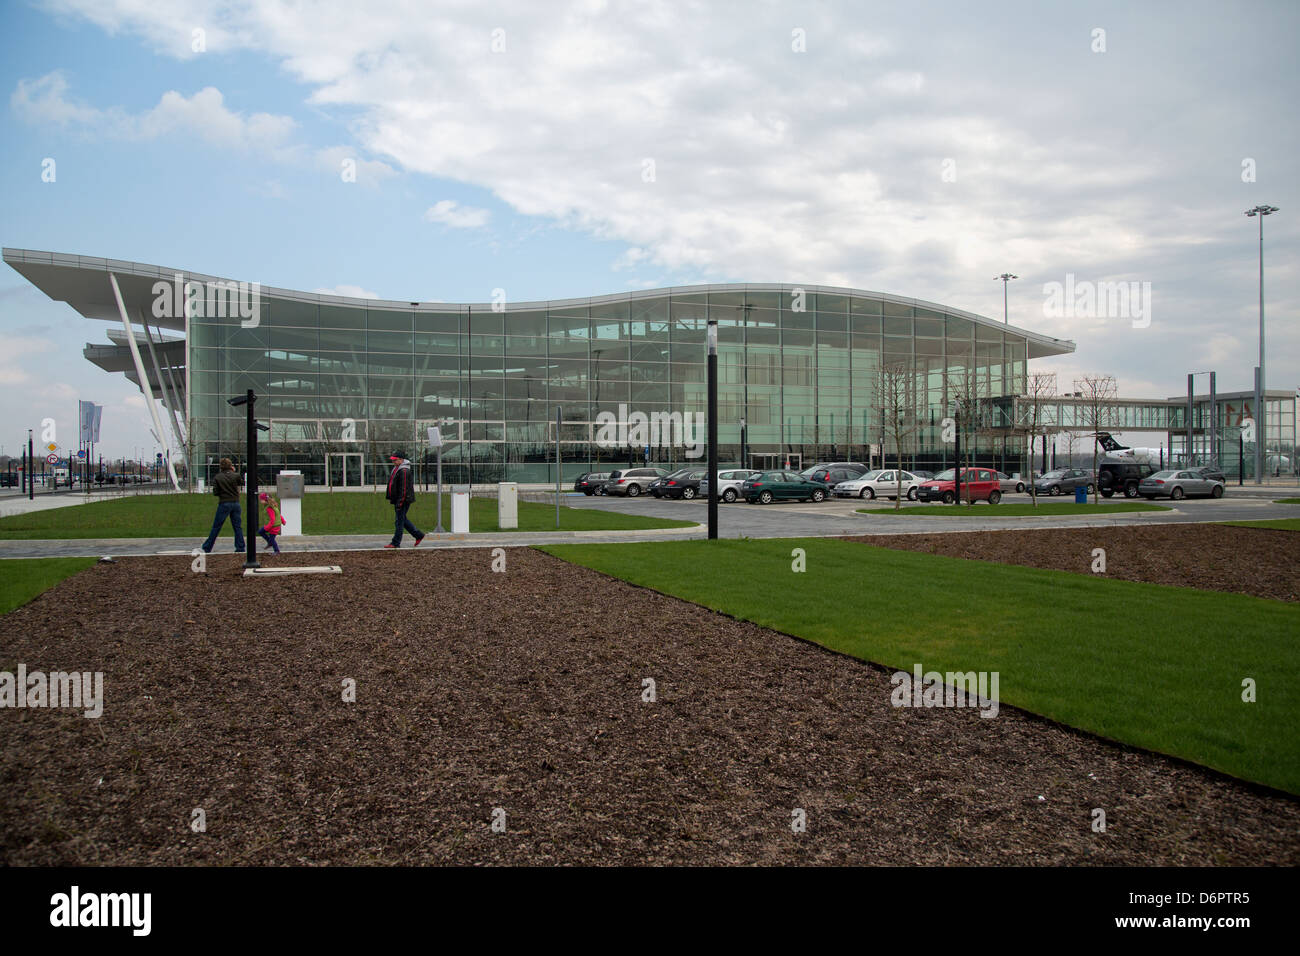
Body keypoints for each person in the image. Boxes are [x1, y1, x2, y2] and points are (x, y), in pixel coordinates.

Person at [201, 458, 245, 553]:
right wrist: (234, 472)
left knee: (216, 526)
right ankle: (240, 546)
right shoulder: (235, 476)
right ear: (231, 466)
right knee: (237, 526)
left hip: (224, 503)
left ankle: (207, 547)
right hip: (235, 503)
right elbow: (242, 483)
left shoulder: (218, 477)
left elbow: (215, 492)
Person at [384, 450, 424, 548]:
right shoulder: (397, 468)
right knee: (402, 520)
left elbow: (404, 489)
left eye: (395, 460)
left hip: (403, 500)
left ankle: (395, 542)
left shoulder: (404, 471)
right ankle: (418, 535)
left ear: (401, 460)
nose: (393, 462)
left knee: (399, 522)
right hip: (399, 499)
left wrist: (400, 502)